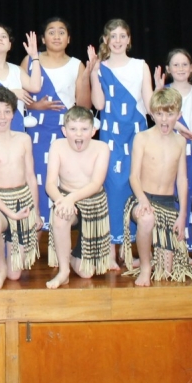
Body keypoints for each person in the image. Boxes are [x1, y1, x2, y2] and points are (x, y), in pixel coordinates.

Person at [122, 88, 192, 286]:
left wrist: (182, 215)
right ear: (152, 114)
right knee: (146, 219)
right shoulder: (142, 138)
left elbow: (182, 180)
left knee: (166, 272)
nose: (164, 119)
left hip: (168, 204)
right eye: (160, 114)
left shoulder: (180, 141)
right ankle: (145, 266)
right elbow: (134, 177)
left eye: (170, 114)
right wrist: (142, 201)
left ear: (178, 115)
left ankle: (156, 259)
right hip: (143, 198)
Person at [90, 18, 152, 270]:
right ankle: (110, 250)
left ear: (129, 39)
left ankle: (129, 251)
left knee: (135, 185)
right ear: (106, 40)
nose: (117, 40)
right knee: (113, 186)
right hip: (112, 135)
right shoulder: (101, 67)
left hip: (137, 132)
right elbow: (98, 104)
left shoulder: (140, 65)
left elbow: (149, 102)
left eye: (122, 36)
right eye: (112, 36)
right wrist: (93, 74)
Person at [22, 17, 92, 231]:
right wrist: (36, 106)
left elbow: (84, 105)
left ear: (68, 38)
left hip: (66, 131)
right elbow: (18, 98)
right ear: (43, 38)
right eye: (51, 32)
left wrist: (86, 78)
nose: (56, 36)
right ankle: (35, 228)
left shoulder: (76, 64)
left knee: (64, 178)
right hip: (37, 130)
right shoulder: (30, 60)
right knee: (37, 176)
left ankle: (63, 228)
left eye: (62, 32)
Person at [0, 86, 40, 289]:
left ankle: (4, 264)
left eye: (7, 111)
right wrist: (10, 213)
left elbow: (30, 176)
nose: (2, 117)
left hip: (22, 200)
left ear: (13, 113)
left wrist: (36, 212)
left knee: (15, 276)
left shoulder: (24, 139)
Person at [45, 106, 111, 288]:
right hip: (65, 199)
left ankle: (73, 256)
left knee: (86, 274)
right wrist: (62, 201)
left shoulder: (102, 148)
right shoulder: (57, 146)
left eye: (84, 129)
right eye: (73, 129)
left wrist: (71, 198)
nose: (79, 134)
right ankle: (64, 271)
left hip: (94, 203)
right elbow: (50, 184)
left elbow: (96, 184)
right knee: (60, 215)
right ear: (64, 131)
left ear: (93, 130)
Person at [153, 48, 192, 252]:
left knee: (187, 196)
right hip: (165, 150)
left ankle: (183, 247)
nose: (180, 68)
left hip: (189, 153)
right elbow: (157, 118)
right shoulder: (164, 91)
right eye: (175, 65)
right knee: (166, 195)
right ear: (168, 69)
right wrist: (158, 90)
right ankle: (164, 247)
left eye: (185, 64)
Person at [0, 24, 43, 145]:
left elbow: (35, 87)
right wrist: (11, 93)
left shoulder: (17, 70)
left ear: (9, 45)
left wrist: (35, 57)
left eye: (3, 36)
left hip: (15, 124)